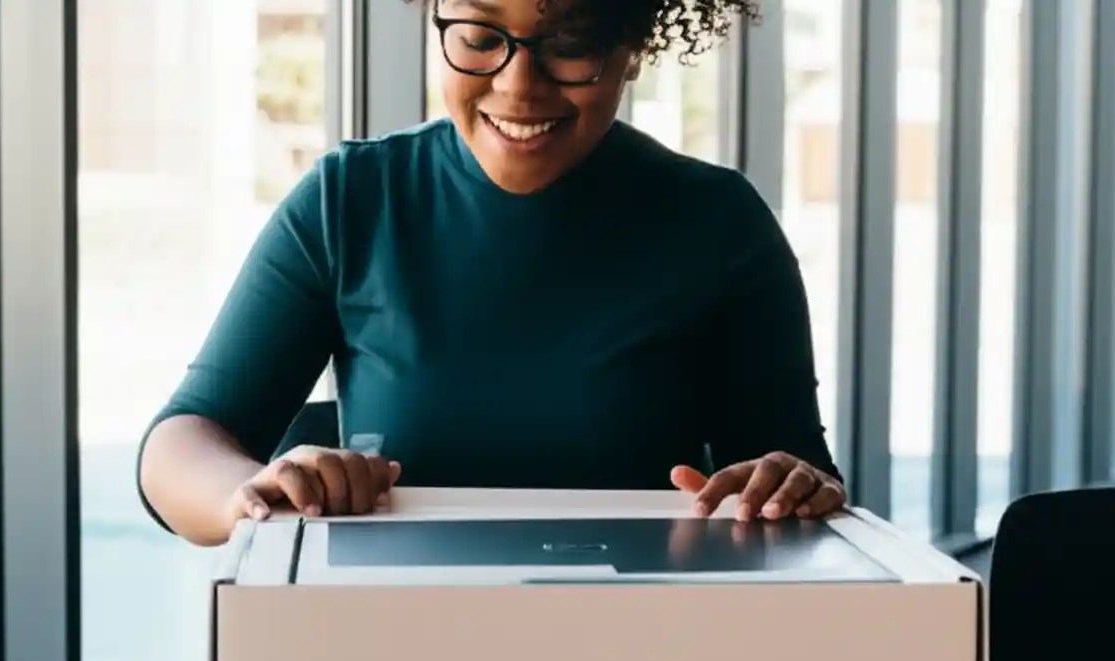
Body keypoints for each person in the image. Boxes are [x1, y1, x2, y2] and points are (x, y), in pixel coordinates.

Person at [138, 0, 847, 547]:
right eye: (480, 37)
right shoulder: (352, 201)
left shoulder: (720, 223)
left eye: (570, 44)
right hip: (385, 659)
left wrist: (793, 485)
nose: (518, 85)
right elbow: (178, 446)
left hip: (643, 658)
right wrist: (250, 492)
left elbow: (802, 479)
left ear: (634, 49)